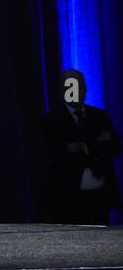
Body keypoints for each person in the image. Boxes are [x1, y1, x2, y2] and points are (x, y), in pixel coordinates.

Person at [41, 69, 122, 226]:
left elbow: (116, 148)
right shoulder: (51, 121)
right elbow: (54, 153)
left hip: (100, 197)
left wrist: (83, 147)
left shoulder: (100, 116)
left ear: (84, 89)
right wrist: (97, 144)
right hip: (68, 197)